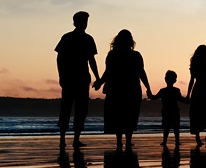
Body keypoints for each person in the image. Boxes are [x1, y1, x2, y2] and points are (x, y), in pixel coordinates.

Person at [94, 29, 151, 150]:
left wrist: (100, 82)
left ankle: (119, 140)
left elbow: (107, 72)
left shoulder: (113, 55)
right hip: (131, 89)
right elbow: (142, 73)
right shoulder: (135, 55)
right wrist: (148, 88)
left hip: (116, 89)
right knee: (130, 115)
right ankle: (128, 140)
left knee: (118, 115)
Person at [55, 11, 99, 148]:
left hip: (81, 78)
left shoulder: (87, 39)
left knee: (80, 109)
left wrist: (97, 77)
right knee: (67, 108)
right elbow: (60, 59)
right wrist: (61, 76)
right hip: (71, 78)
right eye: (82, 21)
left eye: (86, 22)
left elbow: (92, 60)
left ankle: (74, 139)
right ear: (75, 22)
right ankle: (63, 139)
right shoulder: (67, 38)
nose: (84, 24)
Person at [151, 70, 187, 146]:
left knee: (166, 128)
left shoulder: (163, 91)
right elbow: (181, 99)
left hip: (166, 111)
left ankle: (165, 141)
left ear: (165, 79)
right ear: (175, 80)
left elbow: (154, 98)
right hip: (174, 111)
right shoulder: (176, 90)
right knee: (175, 127)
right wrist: (187, 100)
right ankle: (176, 141)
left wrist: (149, 94)